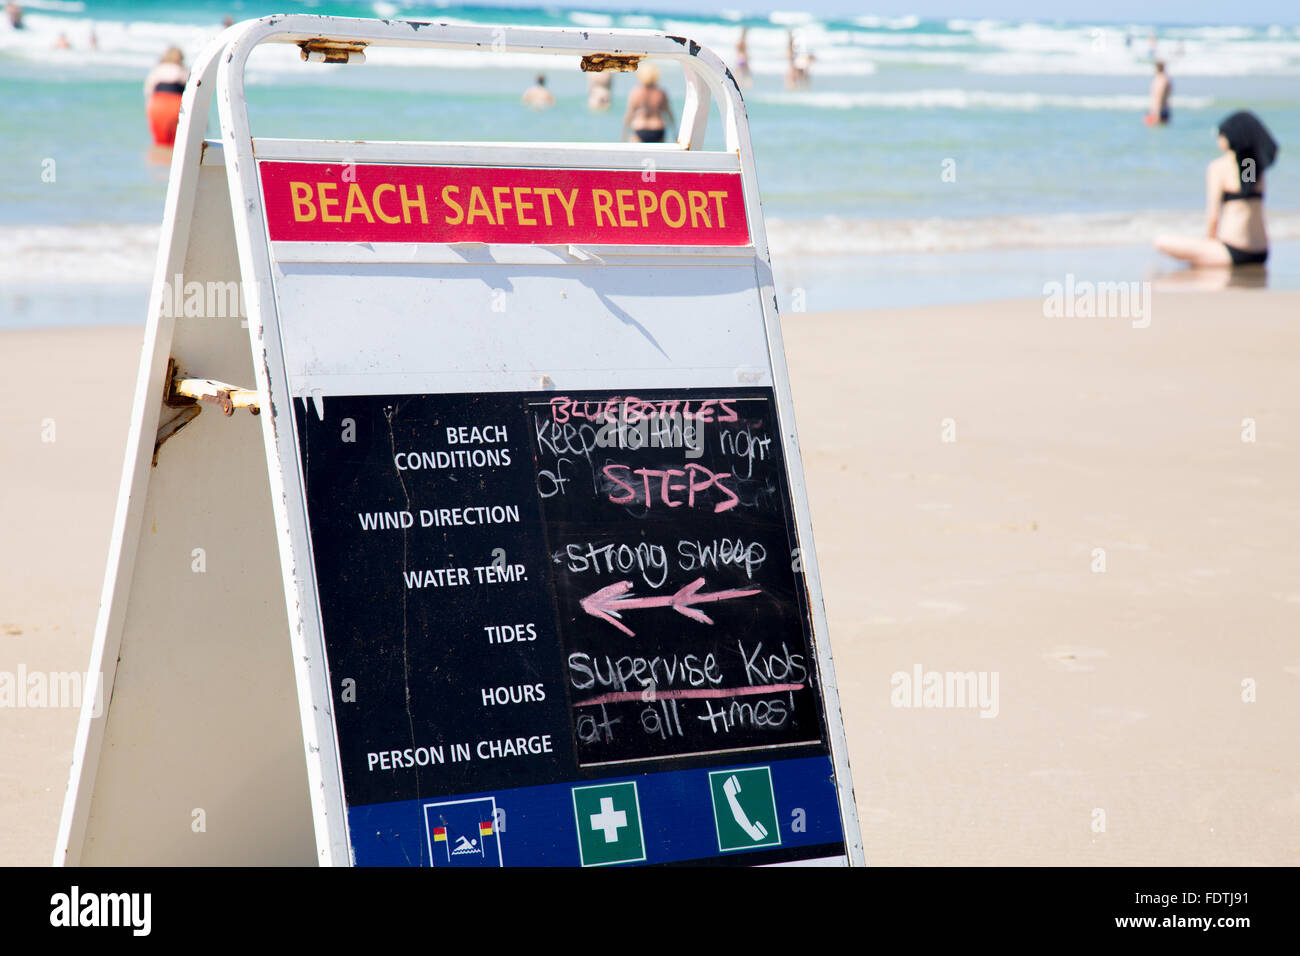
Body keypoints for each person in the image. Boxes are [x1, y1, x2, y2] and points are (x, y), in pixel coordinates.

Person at [1155, 111, 1278, 268]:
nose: (1218, 138)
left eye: (1220, 134)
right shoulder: (1252, 167)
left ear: (1231, 136)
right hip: (1261, 252)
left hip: (1233, 250)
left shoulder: (1218, 167)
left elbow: (1213, 217)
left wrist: (1209, 243)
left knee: (1160, 241)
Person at [144, 47, 189, 147]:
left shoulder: (157, 70)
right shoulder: (183, 70)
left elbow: (148, 91)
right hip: (176, 104)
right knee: (176, 145)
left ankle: (159, 162)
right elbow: (191, 93)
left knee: (160, 143)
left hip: (157, 105)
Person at [622, 62, 673, 144]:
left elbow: (629, 115)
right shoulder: (661, 92)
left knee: (636, 156)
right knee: (658, 156)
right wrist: (675, 133)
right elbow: (669, 114)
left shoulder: (636, 92)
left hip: (641, 128)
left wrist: (624, 135)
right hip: (658, 129)